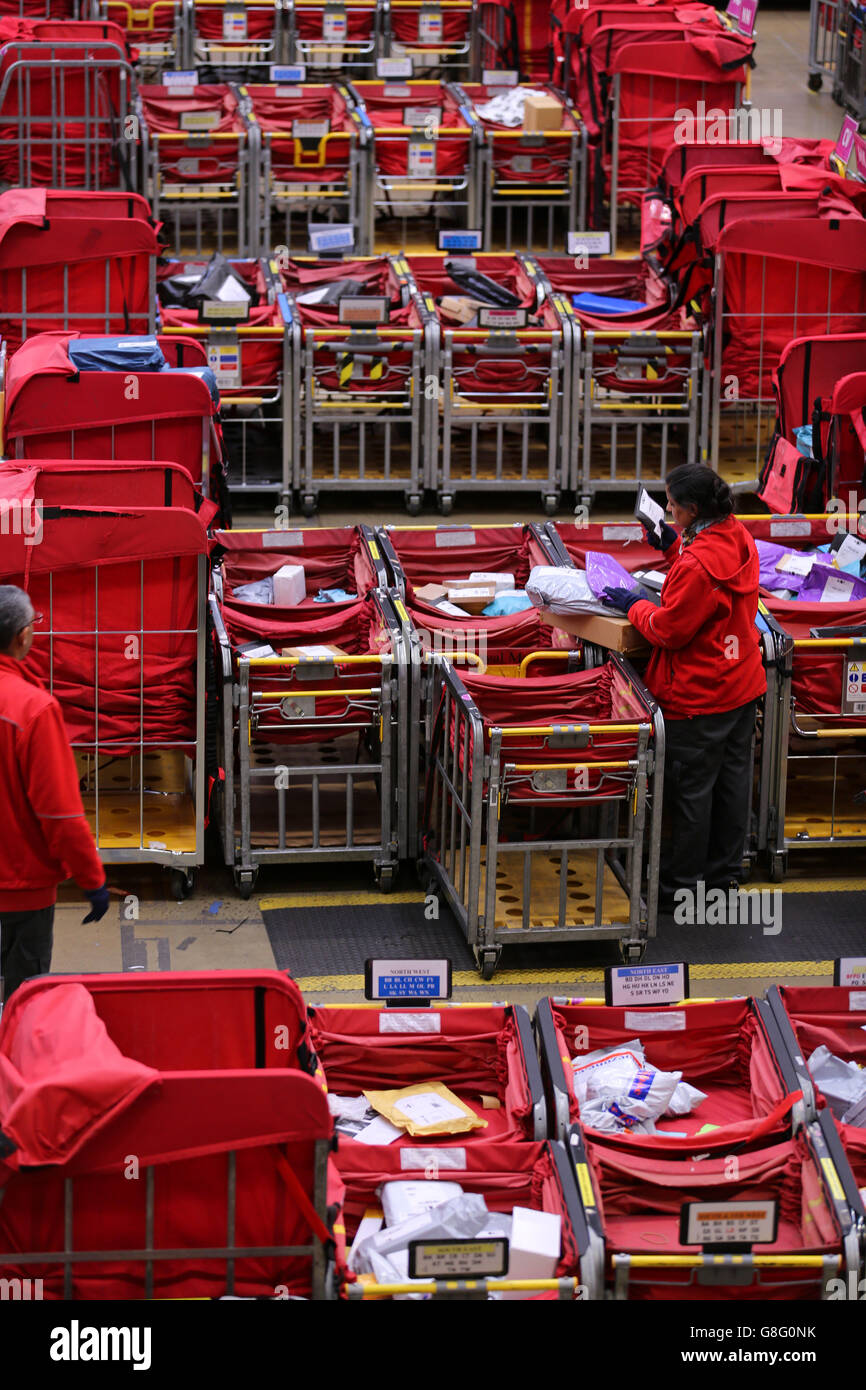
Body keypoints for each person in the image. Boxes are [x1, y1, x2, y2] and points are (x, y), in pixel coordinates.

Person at [602, 465, 766, 912]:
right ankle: (724, 877)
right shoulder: (735, 535)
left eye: (672, 504)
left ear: (692, 510)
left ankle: (682, 890)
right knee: (732, 786)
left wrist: (633, 603)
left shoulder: (695, 564)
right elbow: (709, 581)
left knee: (693, 791)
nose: (666, 507)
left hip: (699, 696)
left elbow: (668, 630)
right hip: (741, 683)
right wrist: (674, 544)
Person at [0, 585, 110, 1000]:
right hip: (20, 894)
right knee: (21, 1005)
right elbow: (60, 815)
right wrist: (92, 879)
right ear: (22, 636)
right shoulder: (33, 710)